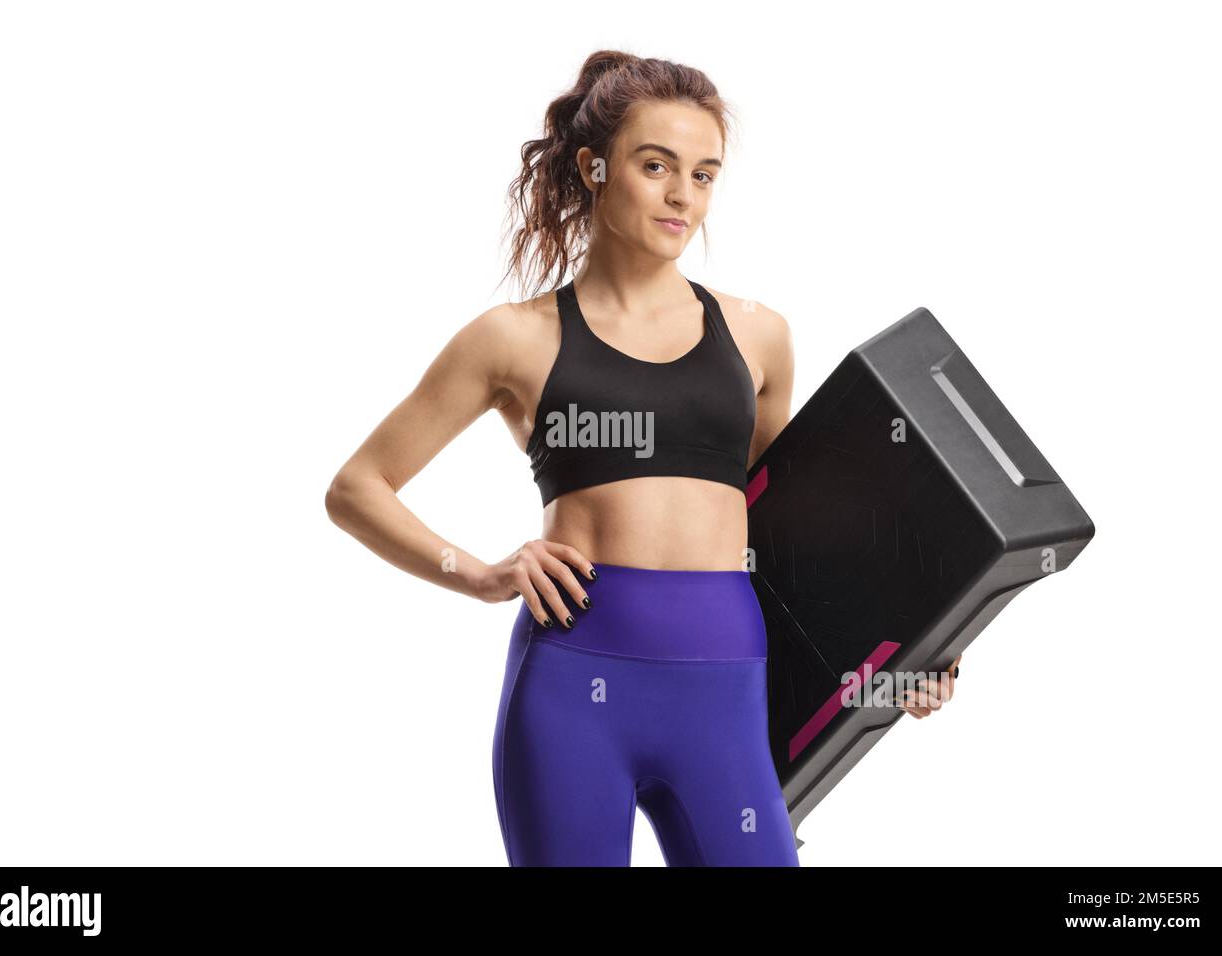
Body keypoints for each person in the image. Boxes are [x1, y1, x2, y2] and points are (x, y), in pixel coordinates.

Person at [325, 50, 958, 866]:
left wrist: (903, 649)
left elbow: (791, 537)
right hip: (571, 686)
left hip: (725, 684)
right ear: (594, 167)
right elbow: (357, 488)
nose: (681, 196)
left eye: (703, 174)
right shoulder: (515, 338)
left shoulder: (759, 336)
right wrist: (481, 573)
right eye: (655, 166)